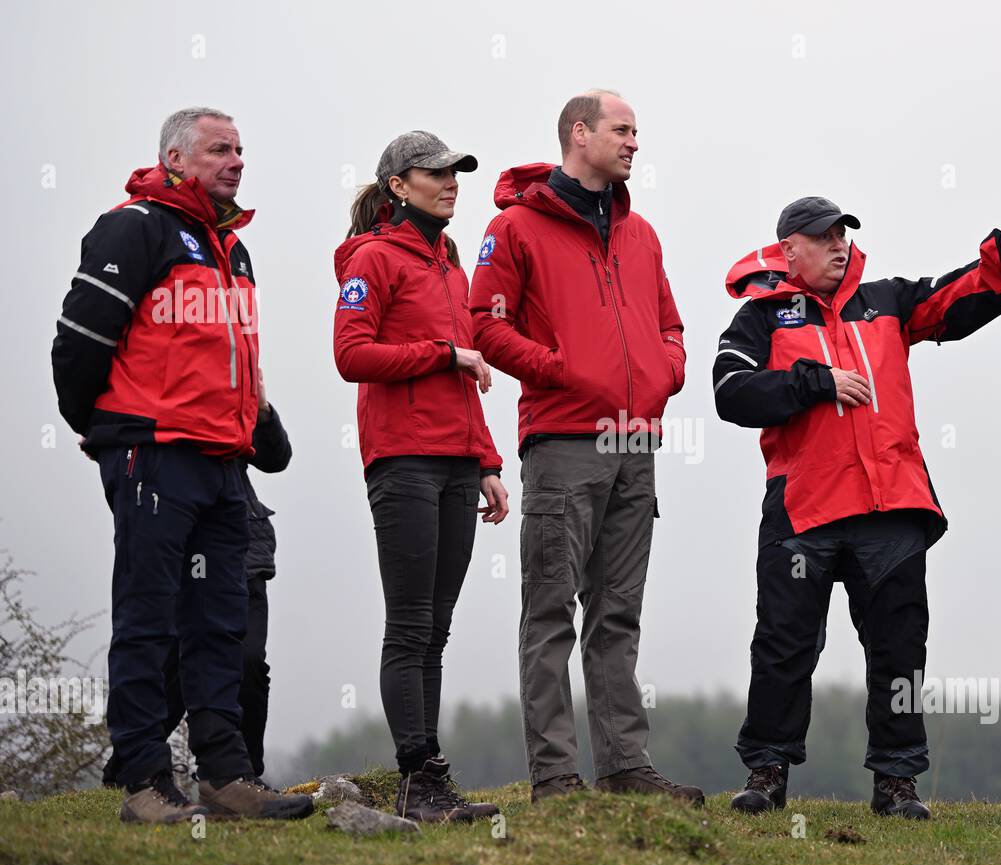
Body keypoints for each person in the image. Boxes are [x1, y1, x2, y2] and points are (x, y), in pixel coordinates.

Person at [715, 196, 1001, 819]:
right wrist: (814, 383)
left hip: (893, 511)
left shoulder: (889, 300)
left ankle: (897, 784)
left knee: (899, 653)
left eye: (843, 233)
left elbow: (960, 299)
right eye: (822, 237)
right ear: (789, 249)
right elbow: (730, 392)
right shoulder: (760, 319)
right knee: (783, 648)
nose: (838, 243)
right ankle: (766, 774)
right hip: (803, 514)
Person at [50, 107, 312, 822]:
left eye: (240, 149)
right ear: (174, 157)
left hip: (224, 462)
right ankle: (144, 784)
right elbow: (77, 341)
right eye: (219, 149)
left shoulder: (231, 247)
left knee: (220, 623)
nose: (236, 160)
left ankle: (226, 776)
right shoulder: (134, 227)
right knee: (148, 621)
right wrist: (105, 427)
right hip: (155, 454)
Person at [470, 90, 701, 805]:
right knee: (549, 611)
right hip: (564, 442)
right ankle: (555, 776)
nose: (635, 143)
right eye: (623, 130)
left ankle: (626, 765)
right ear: (580, 133)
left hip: (637, 443)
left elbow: (671, 326)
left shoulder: (643, 234)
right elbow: (485, 324)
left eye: (637, 132)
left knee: (618, 612)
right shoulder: (514, 227)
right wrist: (559, 369)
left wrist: (666, 374)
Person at [334, 130, 506, 823]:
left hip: (459, 462)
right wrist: (443, 354)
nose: (451, 181)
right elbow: (351, 354)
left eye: (455, 171)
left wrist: (488, 461)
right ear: (397, 186)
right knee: (409, 625)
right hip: (402, 458)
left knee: (436, 625)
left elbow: (468, 377)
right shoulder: (372, 259)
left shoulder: (452, 265)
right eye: (434, 172)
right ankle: (418, 775)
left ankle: (427, 781)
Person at [100, 371, 292, 787]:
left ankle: (244, 777)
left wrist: (262, 407)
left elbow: (277, 457)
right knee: (171, 667)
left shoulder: (232, 369)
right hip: (175, 540)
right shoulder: (154, 382)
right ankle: (133, 769)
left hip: (242, 544)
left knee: (247, 664)